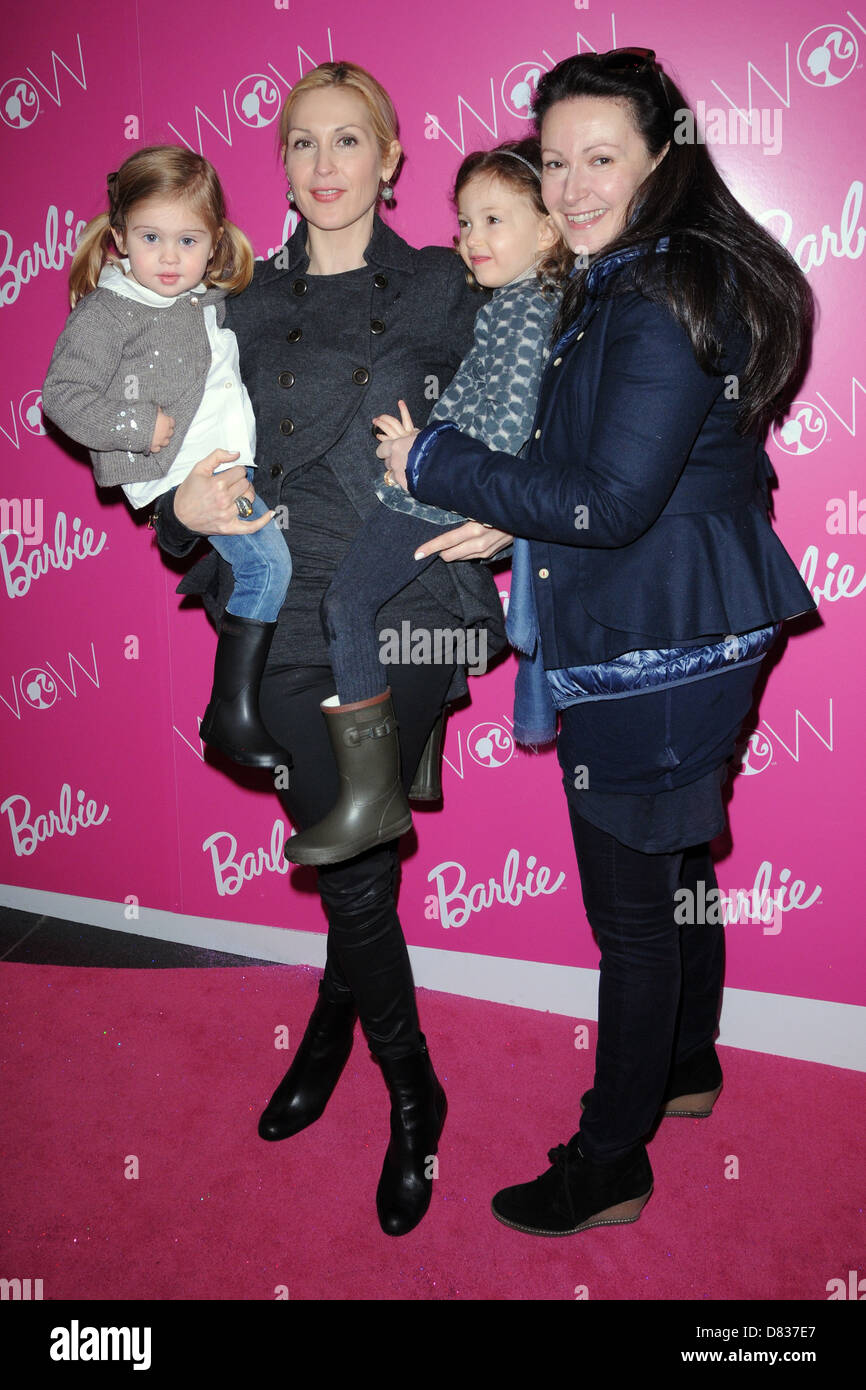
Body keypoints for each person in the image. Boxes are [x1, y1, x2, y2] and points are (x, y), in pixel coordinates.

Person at [379, 48, 817, 1236]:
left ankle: (608, 1159)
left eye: (600, 158)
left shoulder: (661, 285)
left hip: (655, 636)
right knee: (673, 872)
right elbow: (596, 477)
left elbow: (609, 504)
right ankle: (683, 1066)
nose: (569, 184)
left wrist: (432, 462)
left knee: (631, 910)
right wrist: (504, 507)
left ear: (662, 154)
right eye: (555, 158)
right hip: (681, 619)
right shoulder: (642, 271)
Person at [147, 61, 512, 1236]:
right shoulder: (236, 298)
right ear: (283, 162)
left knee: (352, 858)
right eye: (302, 143)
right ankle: (386, 1063)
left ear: (391, 158)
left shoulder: (448, 282)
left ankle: (391, 1076)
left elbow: (531, 396)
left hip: (403, 594)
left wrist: (508, 504)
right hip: (281, 600)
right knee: (352, 859)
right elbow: (169, 442)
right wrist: (176, 511)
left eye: (348, 140)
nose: (323, 165)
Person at [283, 136, 571, 866]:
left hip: (435, 501)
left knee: (347, 606)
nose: (472, 240)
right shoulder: (512, 301)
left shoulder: (528, 309)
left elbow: (507, 429)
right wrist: (423, 439)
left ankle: (373, 797)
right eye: (465, 223)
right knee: (353, 608)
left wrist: (424, 461)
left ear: (547, 229)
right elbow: (490, 413)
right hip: (438, 489)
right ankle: (390, 779)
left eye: (494, 221)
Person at [41, 146, 292, 769]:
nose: (171, 256)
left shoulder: (200, 298)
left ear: (213, 244)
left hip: (222, 465)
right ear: (120, 239)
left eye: (188, 239)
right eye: (152, 237)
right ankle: (230, 714)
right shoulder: (110, 309)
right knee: (269, 567)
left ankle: (233, 711)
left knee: (271, 566)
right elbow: (61, 396)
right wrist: (136, 423)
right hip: (183, 472)